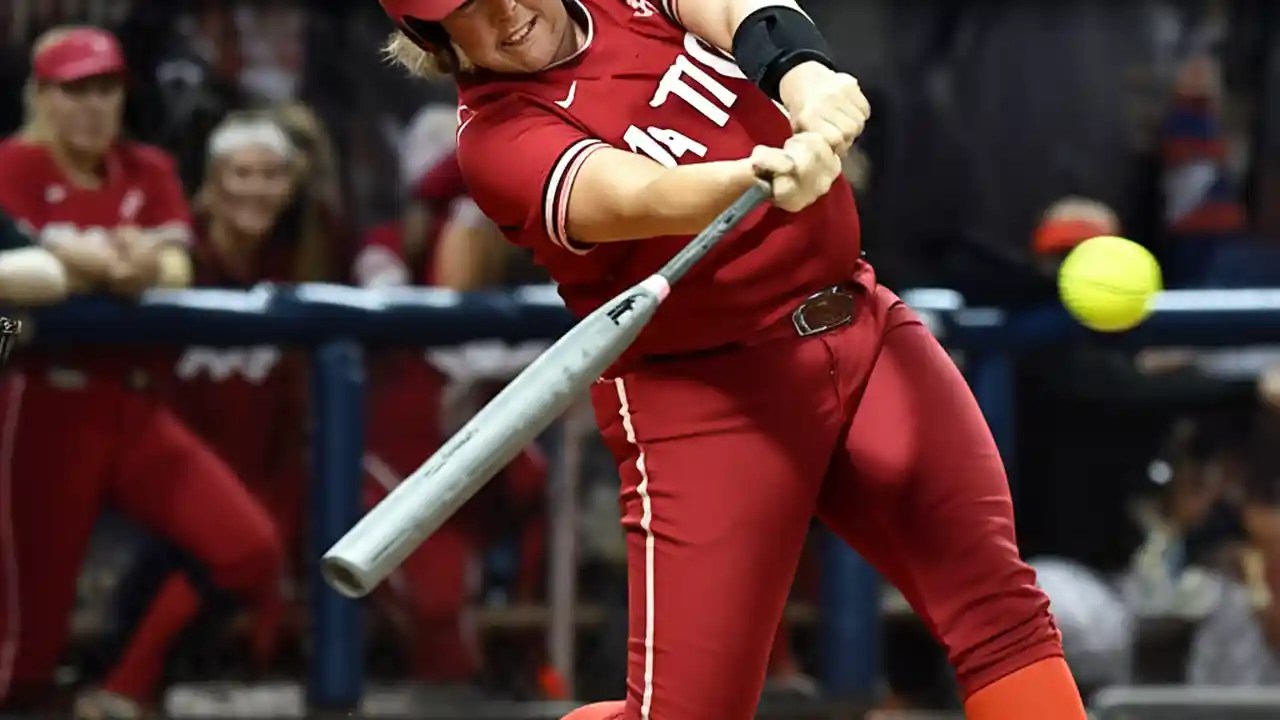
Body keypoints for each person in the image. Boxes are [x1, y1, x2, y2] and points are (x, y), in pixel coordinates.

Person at [377, 1, 1084, 719]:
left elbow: (735, 9)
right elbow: (639, 192)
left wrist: (805, 79)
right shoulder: (497, 139)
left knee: (999, 613)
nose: (506, 13)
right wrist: (751, 176)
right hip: (704, 396)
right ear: (430, 36)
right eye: (466, 9)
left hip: (857, 325)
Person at [0, 27, 281, 714]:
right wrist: (103, 261)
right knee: (26, 648)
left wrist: (98, 262)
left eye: (106, 89)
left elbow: (177, 264)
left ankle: (123, 689)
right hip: (39, 404)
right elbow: (22, 273)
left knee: (248, 547)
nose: (93, 107)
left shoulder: (146, 167)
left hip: (134, 405)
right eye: (74, 91)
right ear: (41, 96)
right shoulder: (12, 164)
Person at [81, 110, 330, 716]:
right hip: (163, 479)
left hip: (258, 478)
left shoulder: (299, 259)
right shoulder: (167, 258)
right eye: (241, 174)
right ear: (210, 184)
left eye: (271, 175)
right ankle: (120, 688)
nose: (256, 188)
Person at [357, 111, 549, 684]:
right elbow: (404, 318)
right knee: (433, 597)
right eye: (452, 215)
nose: (463, 234)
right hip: (394, 471)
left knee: (536, 487)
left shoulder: (528, 257)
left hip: (476, 476)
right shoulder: (383, 249)